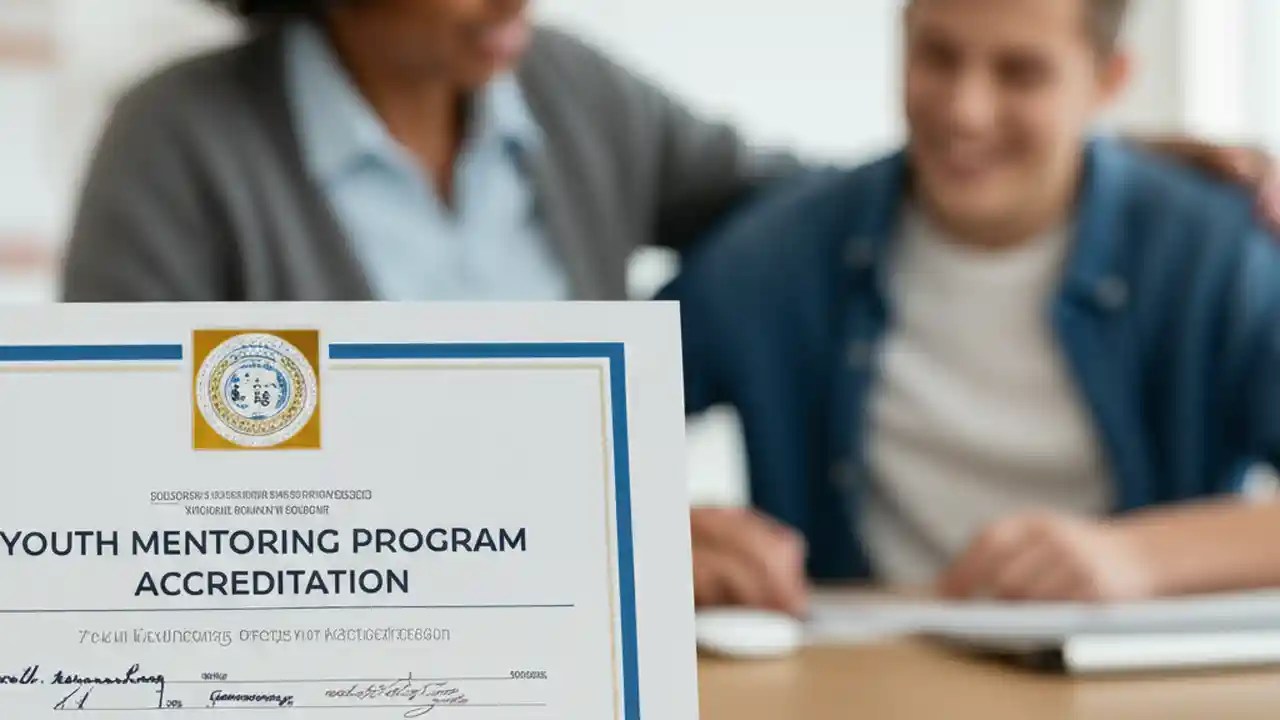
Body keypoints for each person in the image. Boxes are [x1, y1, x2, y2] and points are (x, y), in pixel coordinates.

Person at [665, 0, 1280, 614]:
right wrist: (668, 540)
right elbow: (582, 434)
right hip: (858, 681)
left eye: (1020, 72)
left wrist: (1140, 558)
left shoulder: (1213, 255)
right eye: (937, 55)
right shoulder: (778, 254)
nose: (965, 112)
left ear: (1108, 80)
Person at [62, 0, 1278, 302]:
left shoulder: (570, 90)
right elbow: (142, 488)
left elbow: (821, 207)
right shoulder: (181, 143)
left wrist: (1081, 157)